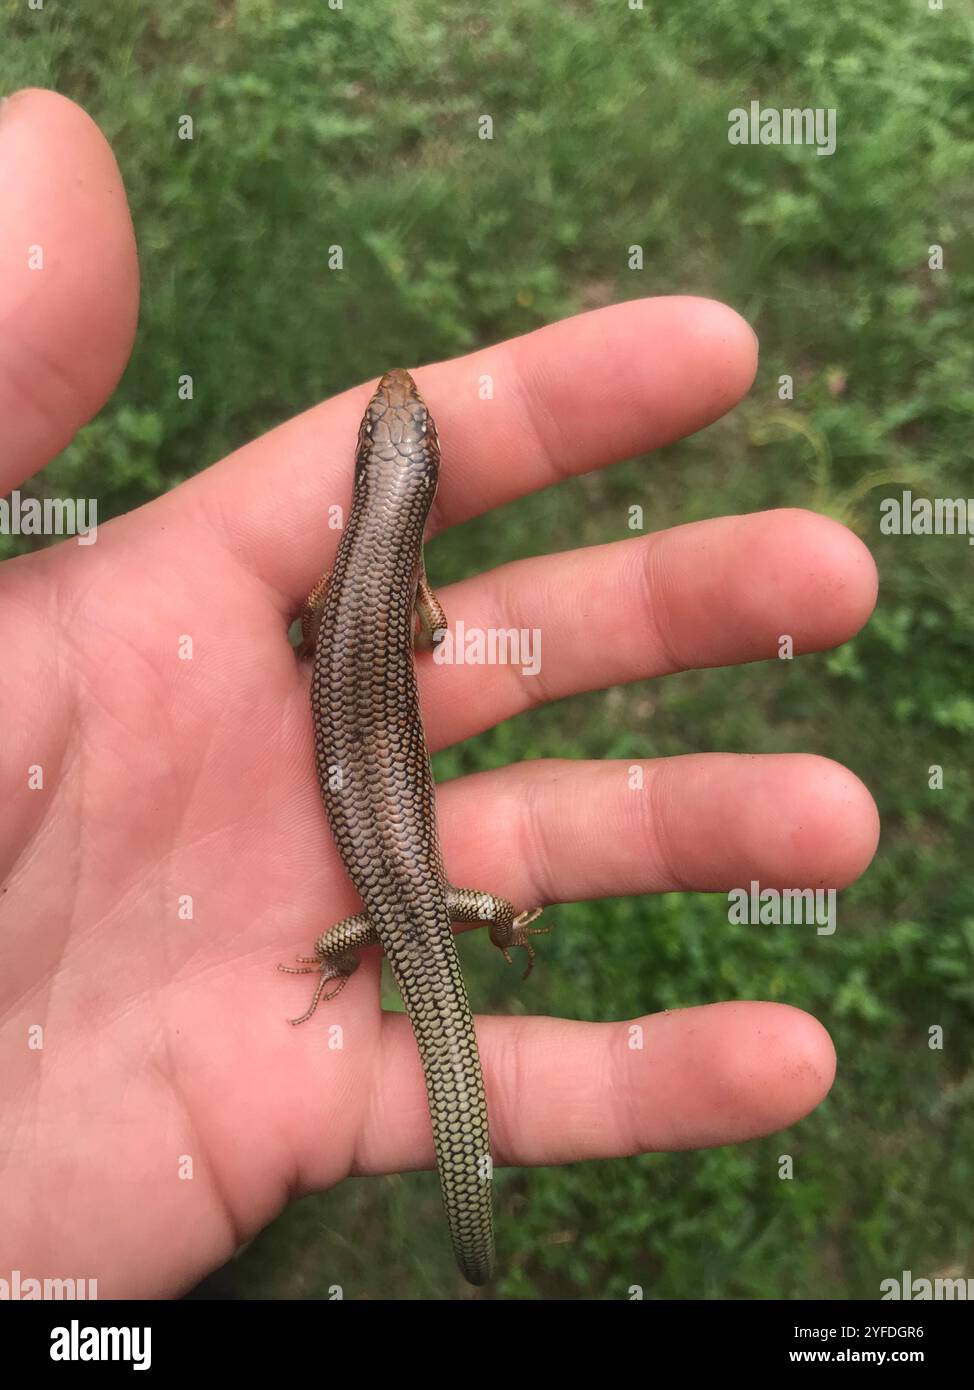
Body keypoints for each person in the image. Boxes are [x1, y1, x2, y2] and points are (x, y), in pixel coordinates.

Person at [0, 90, 879, 1296]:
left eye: (385, 431)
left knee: (417, 942)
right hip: (393, 894)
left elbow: (327, 620)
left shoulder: (348, 562)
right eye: (384, 429)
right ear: (402, 490)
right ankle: (450, 1110)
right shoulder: (406, 590)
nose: (385, 416)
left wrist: (450, 918)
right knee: (406, 949)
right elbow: (419, 625)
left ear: (376, 485)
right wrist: (361, 949)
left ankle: (456, 1153)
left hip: (400, 878)